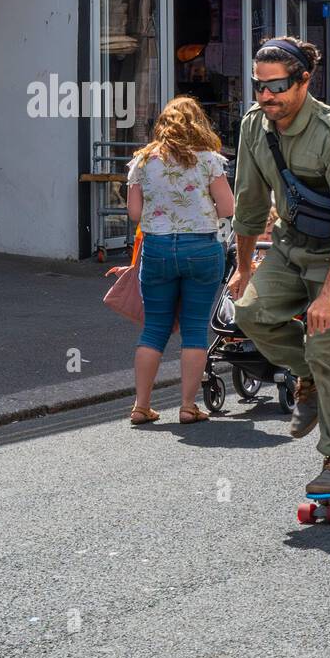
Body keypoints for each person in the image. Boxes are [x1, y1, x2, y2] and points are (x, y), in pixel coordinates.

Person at [228, 37, 330, 495]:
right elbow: (249, 205)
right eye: (259, 85)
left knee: (326, 351)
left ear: (304, 81)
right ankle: (308, 378)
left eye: (276, 85)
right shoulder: (255, 126)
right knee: (250, 315)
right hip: (290, 243)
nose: (266, 95)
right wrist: (243, 268)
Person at [125, 96, 235, 425]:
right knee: (194, 331)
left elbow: (134, 214)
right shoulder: (209, 161)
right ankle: (188, 406)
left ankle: (141, 406)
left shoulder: (142, 161)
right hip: (202, 248)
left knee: (154, 330)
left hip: (157, 250)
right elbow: (228, 208)